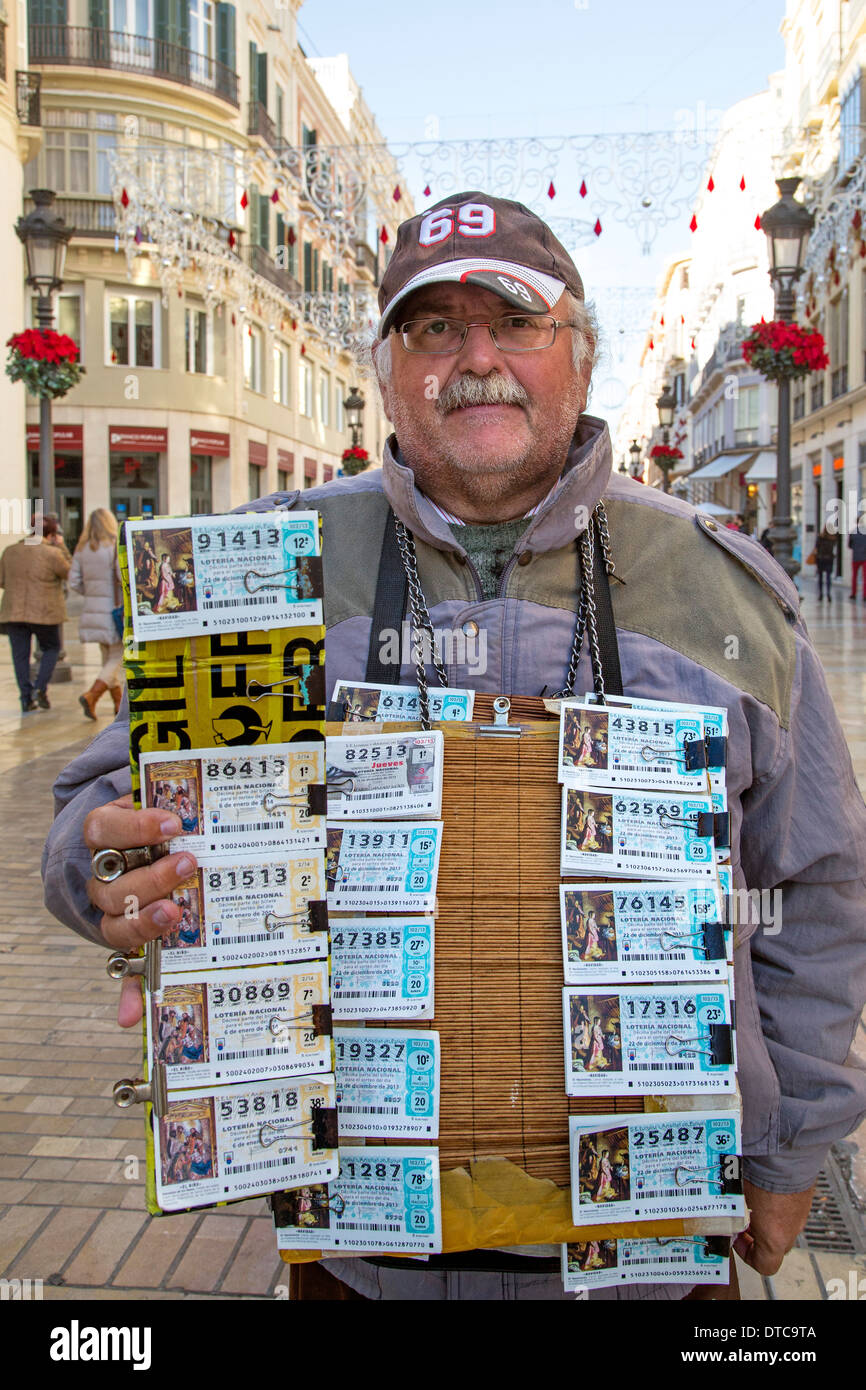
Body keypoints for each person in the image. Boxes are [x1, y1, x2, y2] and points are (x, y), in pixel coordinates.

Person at [42, 191, 866, 1303]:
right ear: (384, 368)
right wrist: (105, 871)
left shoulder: (719, 583)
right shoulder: (256, 571)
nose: (474, 359)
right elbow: (93, 815)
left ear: (577, 352)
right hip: (355, 1251)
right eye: (433, 328)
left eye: (514, 321)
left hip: (652, 1255)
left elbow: (816, 887)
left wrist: (791, 1145)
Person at [0, 513, 71, 712]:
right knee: (51, 648)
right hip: (44, 611)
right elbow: (69, 573)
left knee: (20, 656)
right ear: (52, 533)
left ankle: (25, 697)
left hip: (14, 612)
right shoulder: (52, 553)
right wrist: (62, 546)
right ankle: (40, 688)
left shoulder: (10, 551)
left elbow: (1, 580)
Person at [67, 508, 124, 720]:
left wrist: (91, 593)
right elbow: (121, 576)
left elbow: (73, 582)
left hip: (92, 611)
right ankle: (92, 695)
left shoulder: (82, 549)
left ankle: (118, 704)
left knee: (106, 659)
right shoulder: (113, 548)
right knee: (118, 656)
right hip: (113, 611)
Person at [815, 526, 836, 601]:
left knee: (820, 577)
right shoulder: (833, 538)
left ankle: (820, 594)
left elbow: (816, 547)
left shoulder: (820, 537)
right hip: (829, 559)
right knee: (828, 577)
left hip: (821, 559)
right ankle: (828, 594)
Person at [848, 527, 866, 600]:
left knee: (854, 576)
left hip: (855, 557)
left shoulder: (853, 532)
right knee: (865, 577)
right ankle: (865, 595)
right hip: (865, 557)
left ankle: (853, 593)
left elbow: (849, 545)